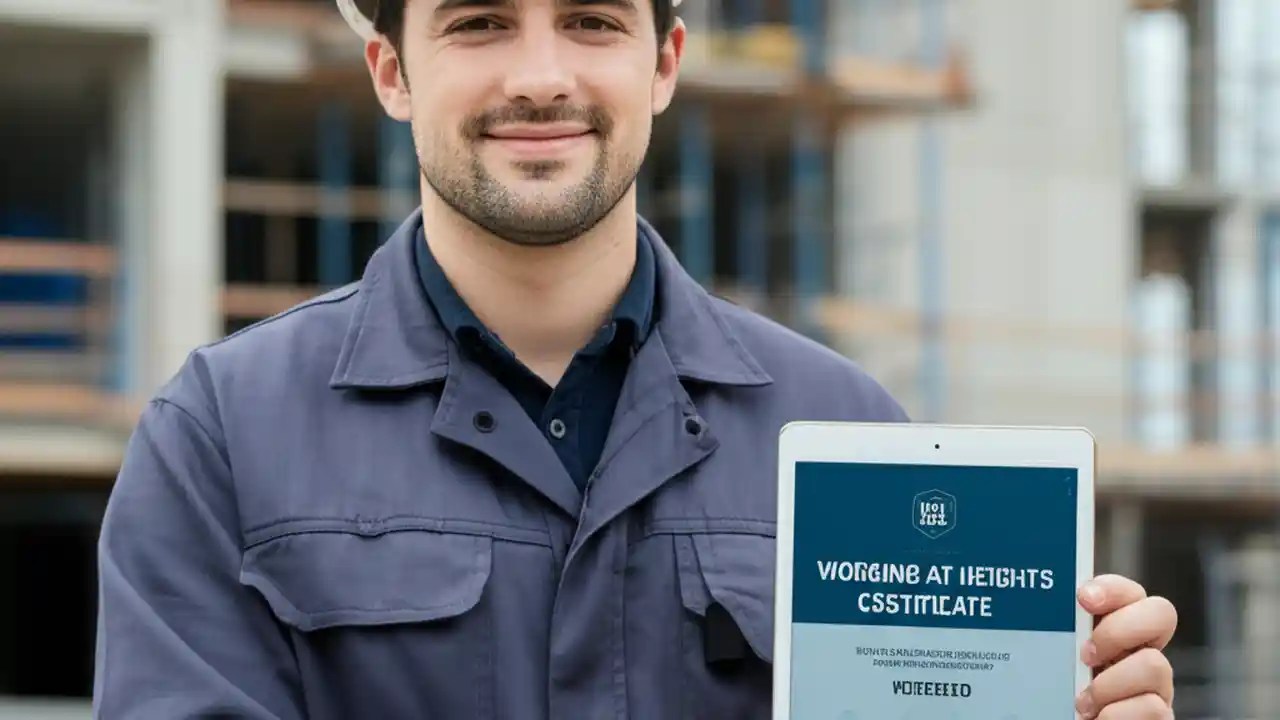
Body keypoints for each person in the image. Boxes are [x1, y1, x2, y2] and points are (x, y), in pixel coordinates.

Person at [93, 0, 1178, 717]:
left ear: (662, 62)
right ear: (391, 71)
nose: (539, 76)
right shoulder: (223, 437)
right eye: (477, 22)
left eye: (590, 20)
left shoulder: (846, 427)